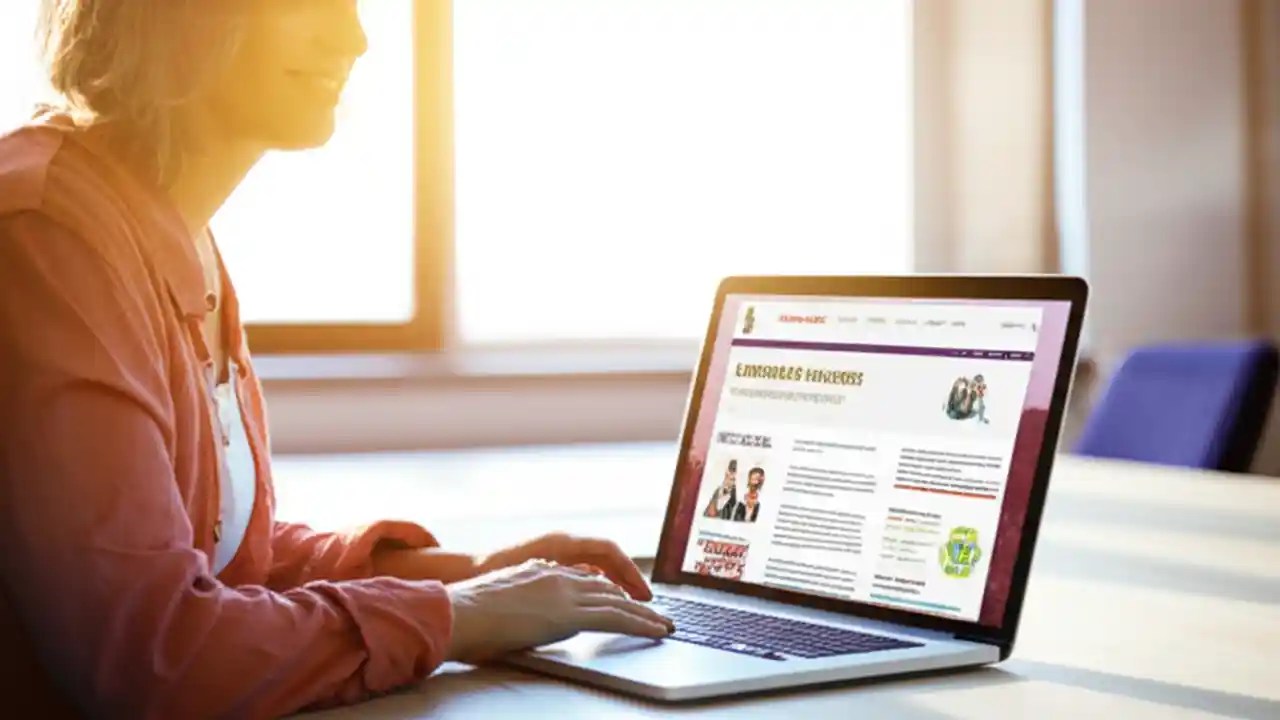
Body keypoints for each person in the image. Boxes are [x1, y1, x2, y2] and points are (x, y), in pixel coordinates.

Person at [0, 2, 672, 718]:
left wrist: (468, 575)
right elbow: (154, 653)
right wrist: (455, 615)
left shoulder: (170, 229)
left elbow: (216, 557)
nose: (352, 38)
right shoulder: (51, 238)